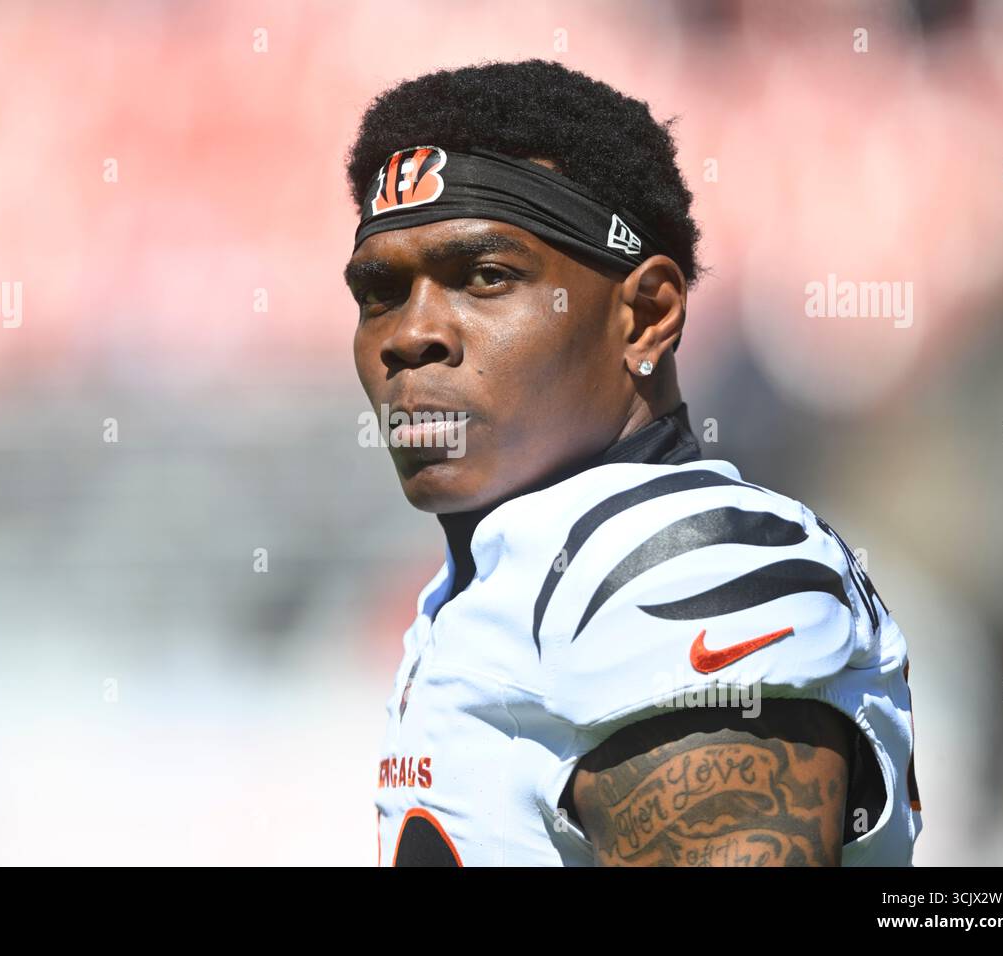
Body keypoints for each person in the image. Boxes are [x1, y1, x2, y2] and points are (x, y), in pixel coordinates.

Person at [344, 59, 921, 866]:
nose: (411, 335)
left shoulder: (679, 563)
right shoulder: (501, 569)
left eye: (485, 277)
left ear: (647, 315)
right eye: (381, 293)